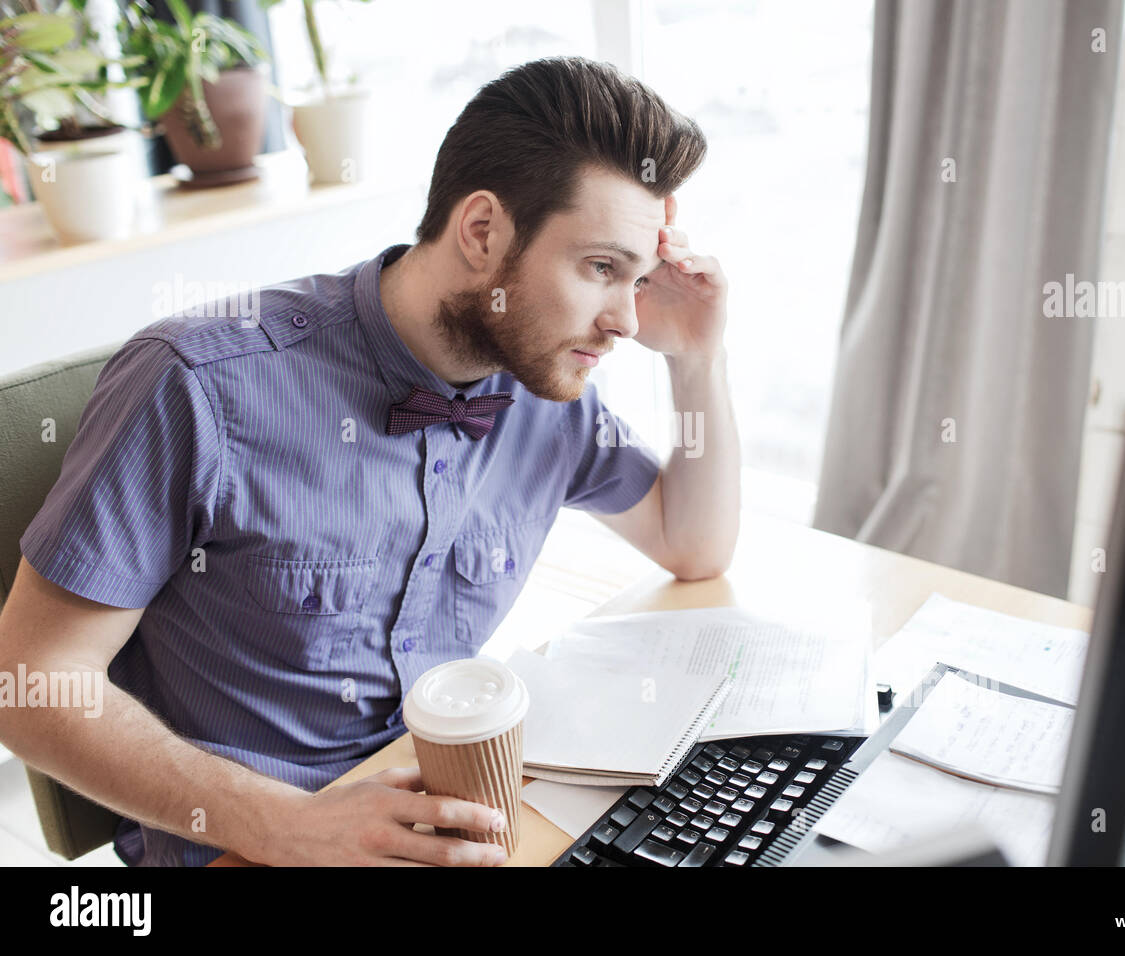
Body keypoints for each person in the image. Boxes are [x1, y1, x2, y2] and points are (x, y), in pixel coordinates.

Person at [0, 56, 739, 866]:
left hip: (458, 816)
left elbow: (691, 543)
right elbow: (31, 682)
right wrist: (284, 825)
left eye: (637, 279)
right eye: (602, 268)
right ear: (483, 231)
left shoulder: (540, 387)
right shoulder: (197, 388)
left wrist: (696, 360)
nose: (627, 320)